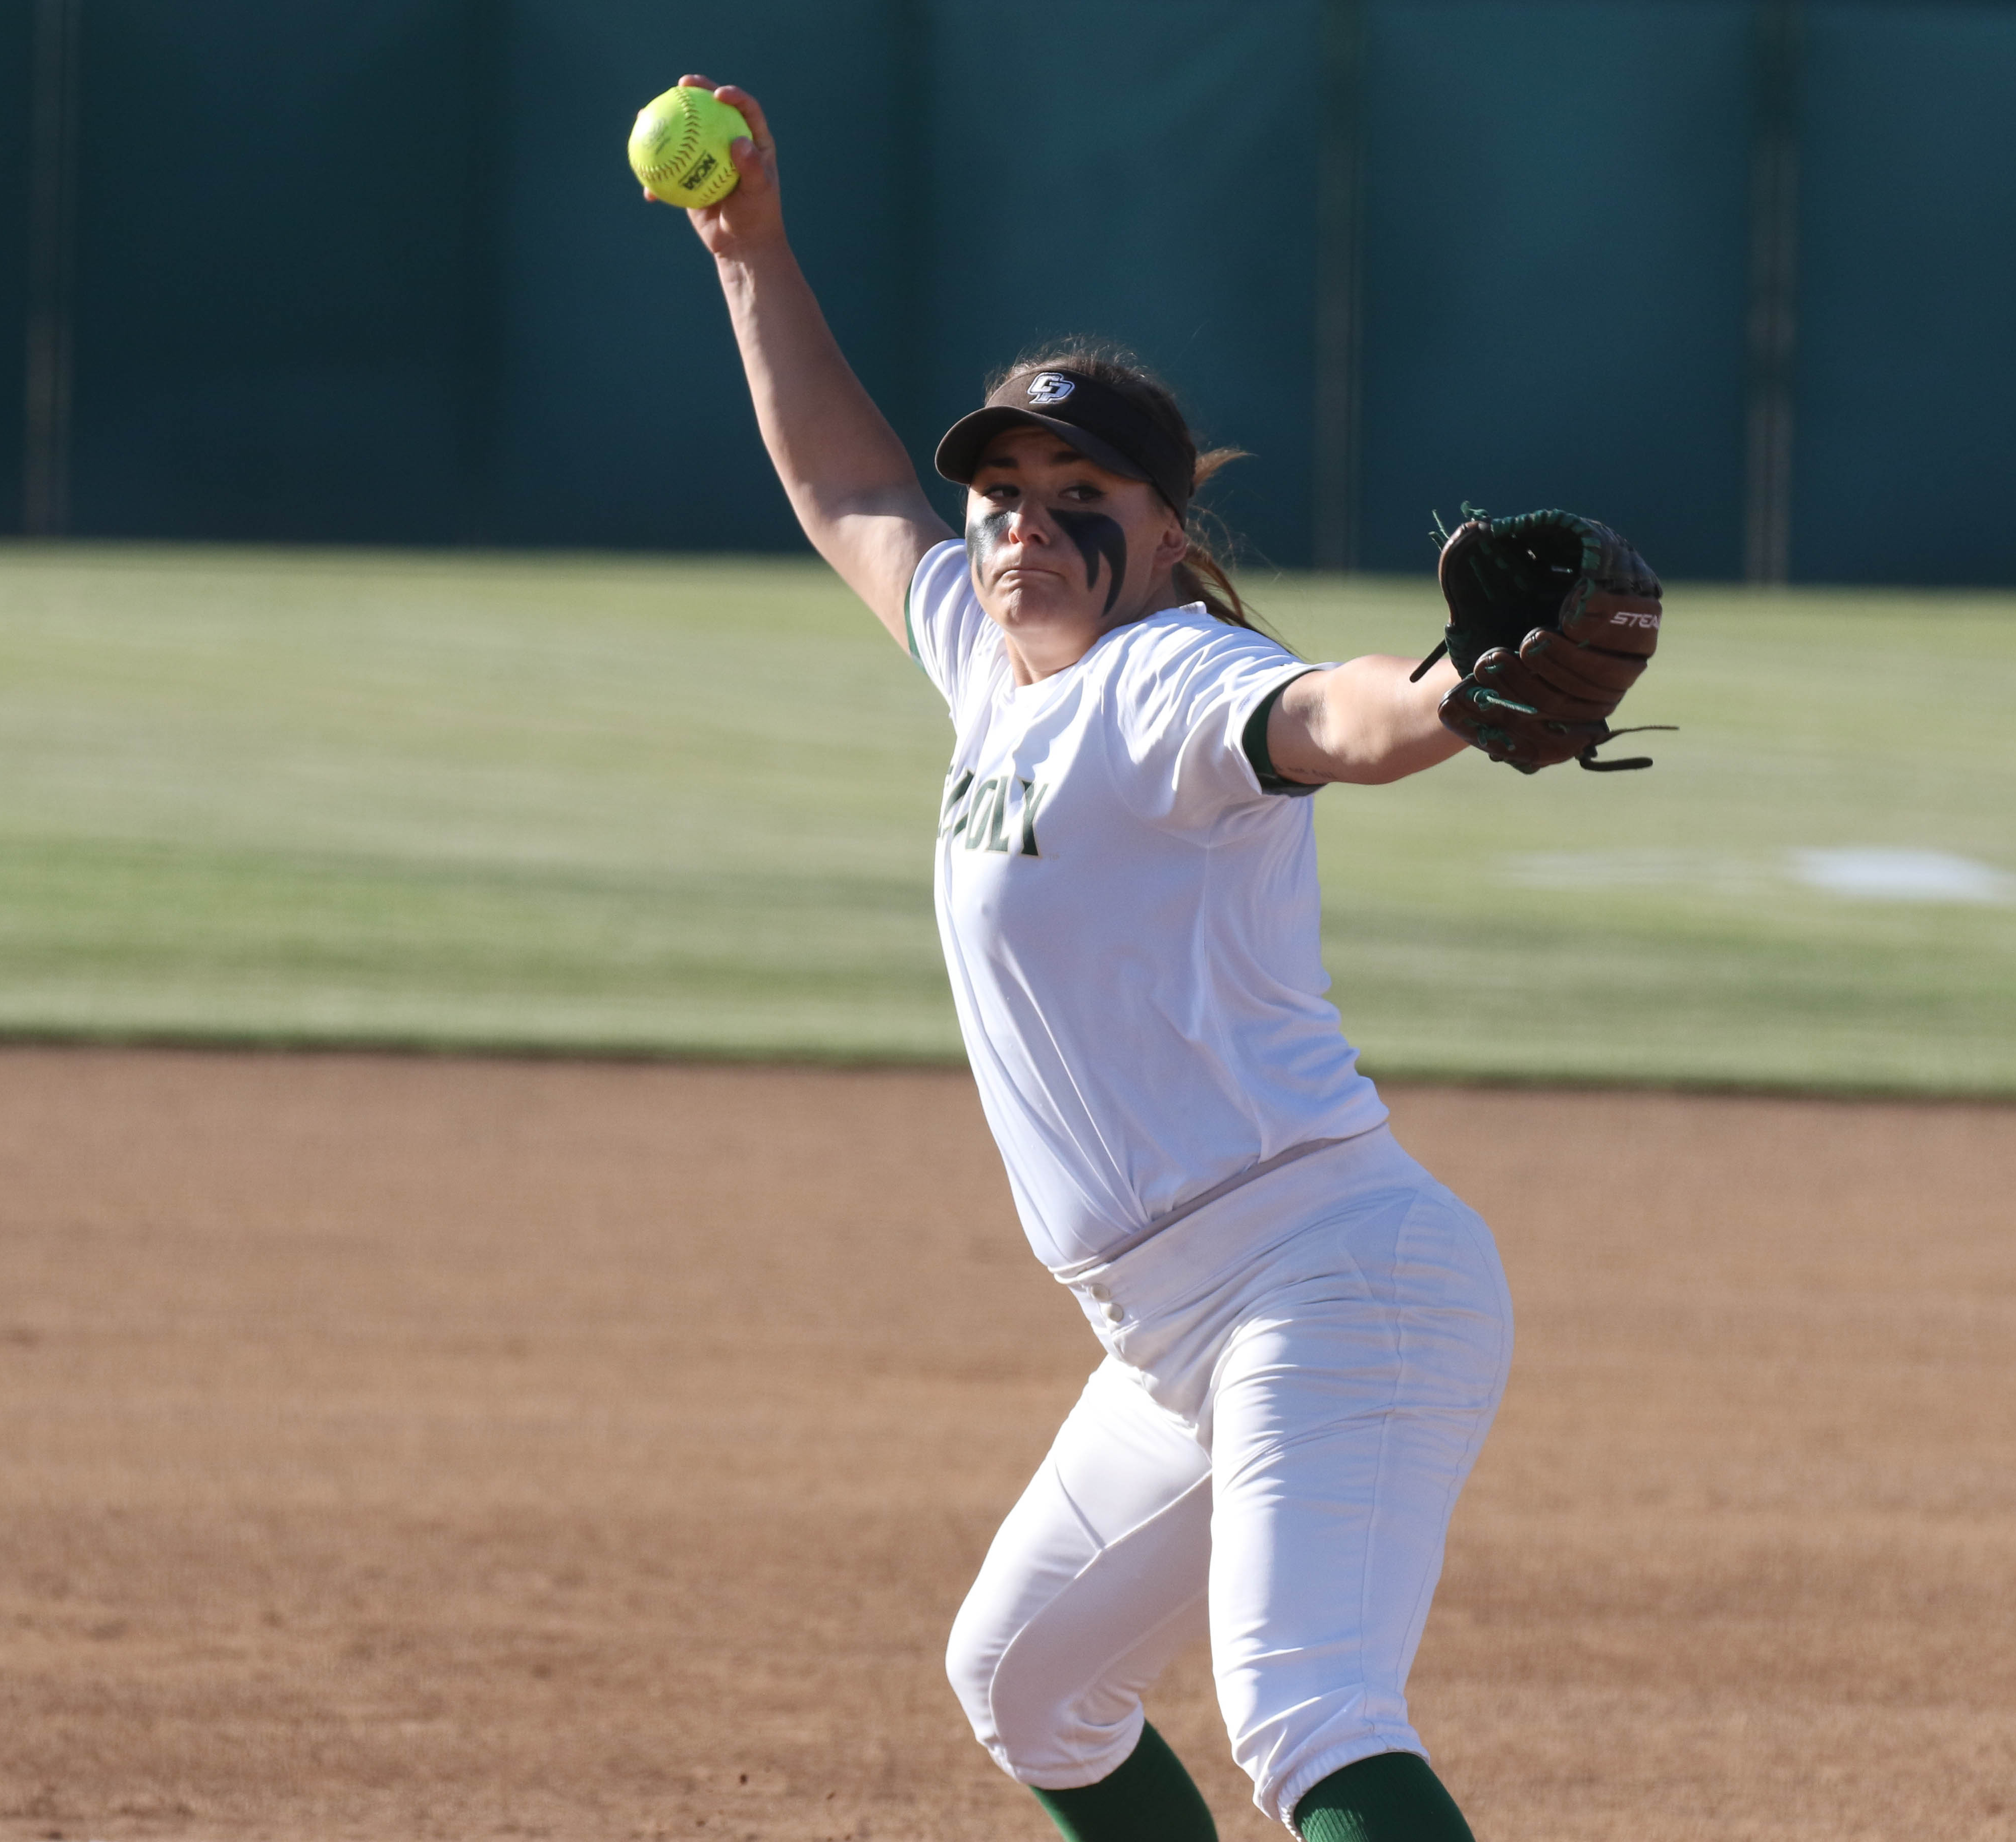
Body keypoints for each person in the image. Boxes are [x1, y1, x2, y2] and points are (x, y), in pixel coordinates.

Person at [657, 76, 1512, 1842]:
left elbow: (1338, 718)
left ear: (1171, 527)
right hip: (1172, 1330)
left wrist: (1468, 686)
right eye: (1008, 489)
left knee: (1306, 1718)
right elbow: (847, 480)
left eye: (1080, 487)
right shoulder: (990, 665)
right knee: (1028, 1687)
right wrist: (749, 252)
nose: (1025, 519)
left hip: (1329, 1283)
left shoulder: (1171, 678)